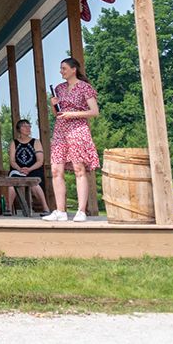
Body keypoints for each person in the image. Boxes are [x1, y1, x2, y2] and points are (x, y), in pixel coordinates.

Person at [42, 57, 100, 223]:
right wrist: (54, 105)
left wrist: (73, 114)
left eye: (64, 68)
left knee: (79, 169)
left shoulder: (84, 87)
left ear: (74, 69)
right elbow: (58, 114)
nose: (61, 71)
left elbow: (94, 111)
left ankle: (81, 211)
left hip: (78, 130)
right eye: (61, 69)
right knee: (55, 170)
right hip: (61, 130)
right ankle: (60, 210)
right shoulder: (59, 88)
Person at [7, 118, 49, 215]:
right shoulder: (14, 143)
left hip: (34, 169)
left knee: (35, 184)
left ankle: (45, 208)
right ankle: (8, 209)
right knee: (12, 184)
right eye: (24, 126)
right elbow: (12, 161)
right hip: (18, 170)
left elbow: (40, 161)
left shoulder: (36, 142)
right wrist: (19, 169)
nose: (28, 128)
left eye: (29, 126)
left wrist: (29, 169)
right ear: (19, 129)